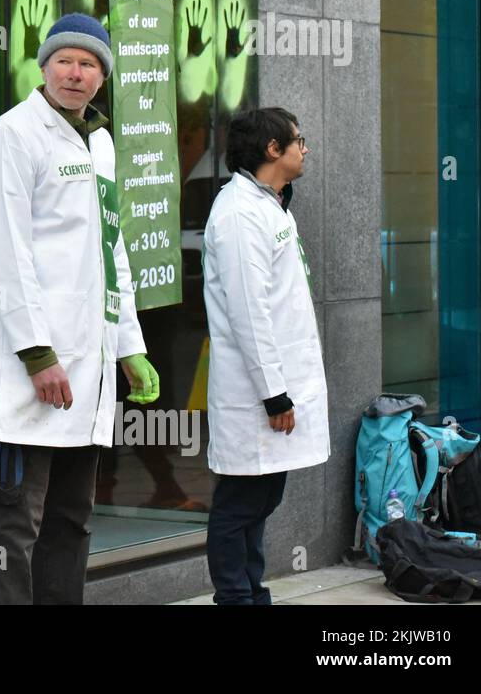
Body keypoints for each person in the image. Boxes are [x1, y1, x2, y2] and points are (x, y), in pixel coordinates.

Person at [0, 12, 160, 605]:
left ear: (103, 76)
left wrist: (130, 347)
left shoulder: (100, 143)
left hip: (90, 366)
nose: (75, 73)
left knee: (72, 520)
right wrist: (36, 352)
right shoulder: (13, 135)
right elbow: (5, 252)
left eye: (89, 64)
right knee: (14, 523)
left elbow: (112, 250)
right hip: (35, 367)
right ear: (44, 66)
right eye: (65, 61)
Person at [201, 107, 330, 605]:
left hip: (274, 385)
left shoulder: (268, 204)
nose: (305, 148)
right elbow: (249, 312)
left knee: (262, 499)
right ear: (273, 149)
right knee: (240, 504)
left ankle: (252, 590)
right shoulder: (238, 213)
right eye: (299, 140)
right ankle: (235, 596)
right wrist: (273, 393)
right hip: (255, 392)